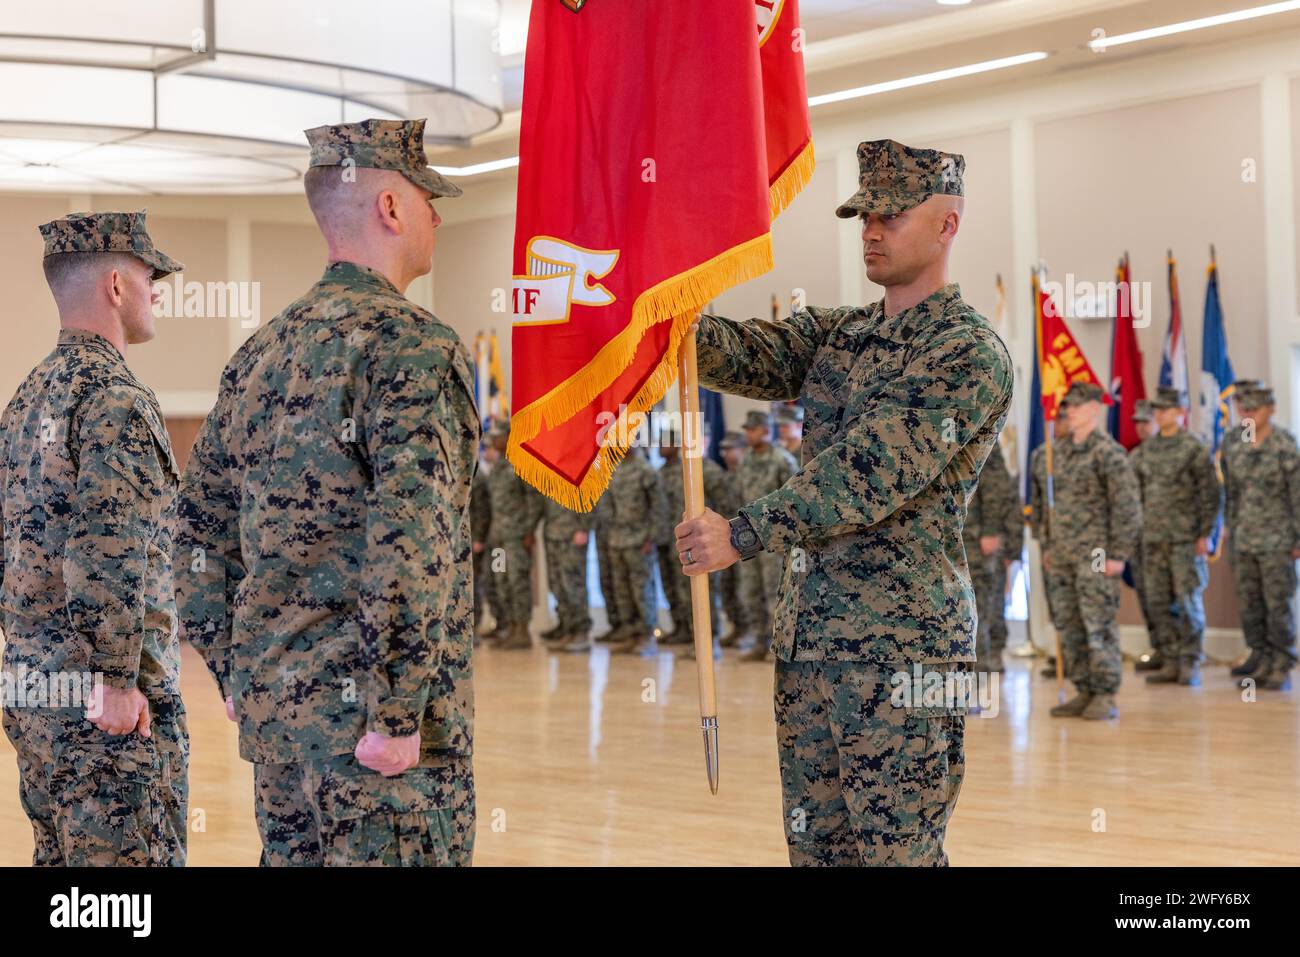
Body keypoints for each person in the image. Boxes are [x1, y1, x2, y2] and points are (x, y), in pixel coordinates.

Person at [673, 139, 1013, 865]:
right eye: (863, 215)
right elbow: (739, 352)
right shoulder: (844, 334)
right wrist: (665, 310)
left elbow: (873, 469)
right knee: (817, 852)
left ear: (948, 223)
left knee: (899, 853)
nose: (871, 229)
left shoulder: (967, 351)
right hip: (811, 646)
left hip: (903, 650)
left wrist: (744, 530)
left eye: (891, 214)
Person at [174, 118, 479, 866]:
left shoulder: (257, 355)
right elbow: (412, 540)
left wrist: (237, 672)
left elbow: (193, 536)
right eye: (426, 197)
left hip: (283, 728)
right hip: (380, 749)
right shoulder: (413, 347)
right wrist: (399, 710)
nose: (438, 215)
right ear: (388, 208)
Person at [1, 211, 189, 865]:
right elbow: (106, 546)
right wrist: (115, 679)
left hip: (34, 692)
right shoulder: (116, 399)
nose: (157, 287)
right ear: (115, 284)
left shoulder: (27, 398)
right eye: (148, 274)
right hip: (99, 709)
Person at [1037, 382, 1142, 720]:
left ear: (1096, 409)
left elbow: (1127, 508)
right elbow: (1048, 507)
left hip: (1096, 555)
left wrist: (1119, 555)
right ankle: (1083, 688)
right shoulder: (1056, 453)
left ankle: (1105, 692)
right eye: (1068, 405)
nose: (1070, 411)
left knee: (1097, 624)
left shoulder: (1109, 454)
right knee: (1069, 624)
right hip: (1064, 553)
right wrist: (1048, 544)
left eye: (1078, 405)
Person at [1130, 387, 1221, 686]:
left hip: (1185, 539)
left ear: (1180, 413)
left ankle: (1191, 660)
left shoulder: (1193, 448)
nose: (1158, 414)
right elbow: (1134, 497)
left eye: (1165, 409)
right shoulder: (1144, 451)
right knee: (1158, 602)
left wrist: (1206, 534)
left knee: (1188, 601)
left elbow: (1210, 495)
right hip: (1152, 540)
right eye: (1156, 409)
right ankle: (1169, 659)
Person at [1221, 386, 1300, 690]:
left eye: (1254, 409)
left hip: (1277, 540)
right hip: (1243, 539)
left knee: (1277, 605)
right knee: (1250, 605)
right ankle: (1261, 658)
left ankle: (1282, 661)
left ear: (1271, 409)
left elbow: (1297, 495)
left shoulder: (1284, 445)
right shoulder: (1234, 443)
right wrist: (1228, 527)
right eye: (1243, 410)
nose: (1247, 415)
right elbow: (1231, 492)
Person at [736, 409, 797, 662]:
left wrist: (788, 540)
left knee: (776, 592)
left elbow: (794, 502)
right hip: (748, 538)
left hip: (774, 539)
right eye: (747, 430)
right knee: (751, 590)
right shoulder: (746, 459)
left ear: (766, 431)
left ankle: (777, 646)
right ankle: (758, 642)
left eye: (754, 429)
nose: (749, 434)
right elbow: (739, 496)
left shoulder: (782, 460)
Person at [483, 420, 545, 650]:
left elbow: (534, 500)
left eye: (498, 437)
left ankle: (522, 630)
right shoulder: (498, 466)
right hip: (498, 537)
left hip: (517, 536)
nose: (493, 441)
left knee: (518, 581)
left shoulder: (523, 464)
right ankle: (509, 627)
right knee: (502, 581)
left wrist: (529, 530)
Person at [603, 449, 668, 654]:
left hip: (640, 540)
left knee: (642, 590)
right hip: (617, 539)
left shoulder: (646, 471)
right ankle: (630, 634)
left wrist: (652, 537)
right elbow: (609, 505)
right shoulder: (615, 469)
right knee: (622, 590)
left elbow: (659, 507)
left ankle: (647, 635)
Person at [965, 439, 1021, 673]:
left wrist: (990, 531)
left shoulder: (979, 432)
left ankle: (984, 663)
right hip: (963, 537)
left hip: (979, 540)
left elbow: (996, 487)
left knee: (983, 605)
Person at [1127, 399, 1161, 671]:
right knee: (1149, 597)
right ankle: (1159, 649)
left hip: (1169, 539)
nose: (1140, 427)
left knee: (1176, 600)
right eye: (1137, 422)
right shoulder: (1134, 457)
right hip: (1140, 541)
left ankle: (1184, 658)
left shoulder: (1184, 449)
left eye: (1145, 421)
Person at [541, 496, 594, 650]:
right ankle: (568, 629)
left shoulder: (576, 472)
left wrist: (584, 528)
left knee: (573, 585)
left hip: (572, 534)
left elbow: (589, 496)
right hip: (553, 534)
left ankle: (581, 632)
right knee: (558, 585)